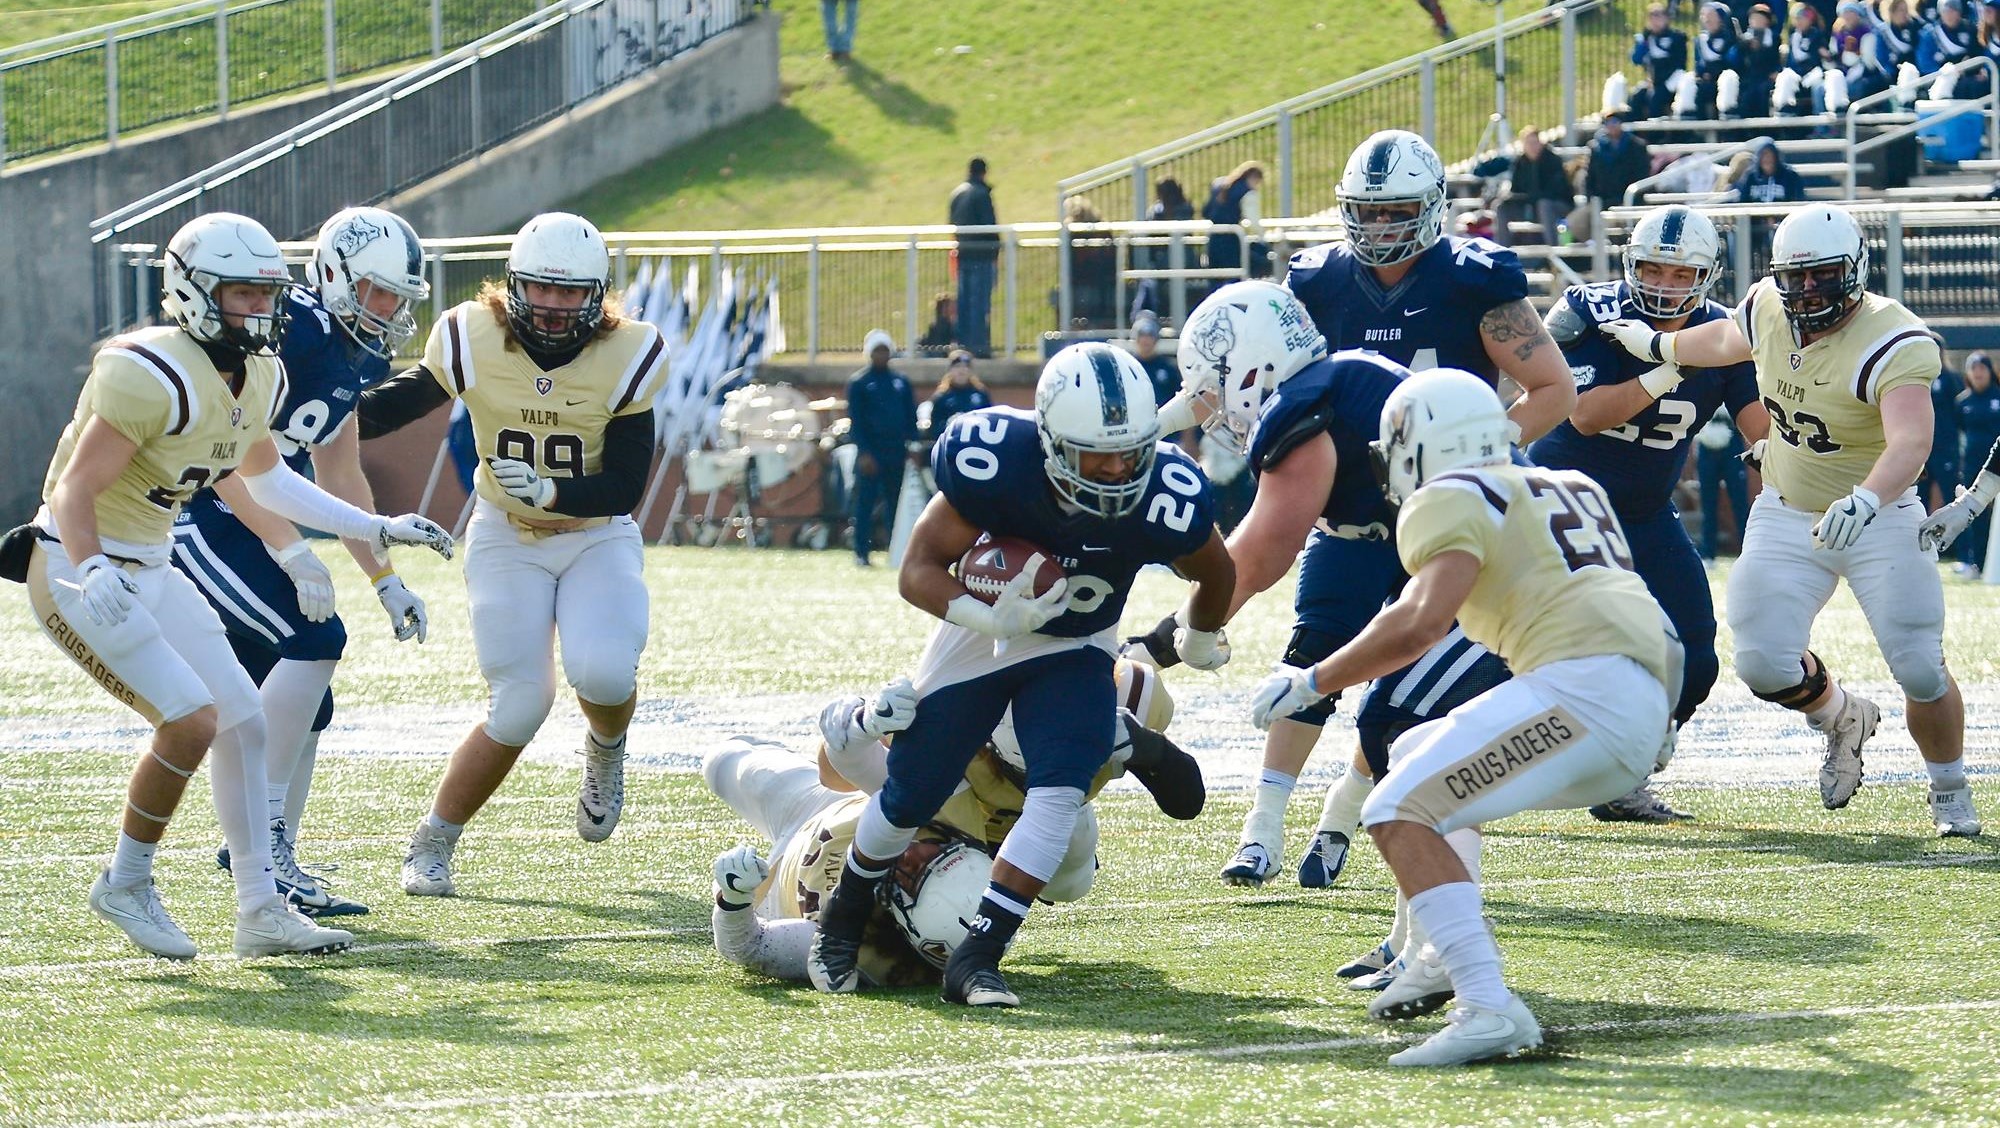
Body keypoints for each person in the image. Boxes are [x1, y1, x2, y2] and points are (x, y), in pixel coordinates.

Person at [5, 212, 451, 959]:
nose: (260, 308)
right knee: (192, 720)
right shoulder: (146, 368)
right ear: (195, 292)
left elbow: (270, 479)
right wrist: (88, 568)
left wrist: (376, 532)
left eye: (266, 292)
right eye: (242, 293)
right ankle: (126, 881)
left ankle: (259, 911)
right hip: (78, 567)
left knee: (243, 718)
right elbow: (76, 490)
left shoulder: (265, 371)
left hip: (150, 563)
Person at [1248, 369, 1680, 1067]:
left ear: (1422, 444)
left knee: (1393, 808)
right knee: (1418, 751)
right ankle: (1432, 951)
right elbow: (1655, 626)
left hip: (1584, 694)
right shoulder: (1572, 486)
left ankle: (1487, 1006)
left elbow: (1421, 622)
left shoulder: (1449, 497)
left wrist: (1312, 680)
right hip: (1635, 695)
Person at [805, 343, 1236, 1008]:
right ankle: (843, 914)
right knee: (913, 787)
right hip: (981, 637)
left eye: (1130, 451)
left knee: (1060, 789)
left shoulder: (1165, 492)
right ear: (1055, 442)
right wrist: (983, 612)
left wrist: (1200, 634)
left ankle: (979, 956)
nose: (1119, 469)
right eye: (1098, 453)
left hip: (1079, 642)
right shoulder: (996, 464)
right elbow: (916, 569)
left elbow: (1217, 569)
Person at [1202, 129, 1573, 900]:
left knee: (1414, 675)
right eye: (1366, 213)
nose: (1378, 229)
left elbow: (1552, 390)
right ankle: (1261, 827)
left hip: (1443, 514)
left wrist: (1469, 453)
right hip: (1350, 513)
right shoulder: (1315, 281)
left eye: (1396, 211)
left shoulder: (1474, 279)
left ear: (1434, 206)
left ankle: (1338, 820)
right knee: (1315, 647)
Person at [1152, 284, 1497, 990]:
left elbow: (1265, 550)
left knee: (1413, 738)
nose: (1216, 404)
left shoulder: (1308, 404)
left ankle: (1446, 955)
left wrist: (1197, 624)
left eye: (1218, 385)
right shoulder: (1337, 380)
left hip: (1480, 570)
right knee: (1404, 734)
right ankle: (1417, 940)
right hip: (1474, 556)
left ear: (1249, 368)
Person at [1603, 203, 1981, 838]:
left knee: (1918, 664)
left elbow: (1910, 441)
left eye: (1823, 276)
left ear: (1855, 270)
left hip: (1878, 517)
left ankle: (1948, 786)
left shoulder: (1896, 337)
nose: (1807, 290)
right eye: (1795, 277)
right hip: (1784, 509)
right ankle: (1842, 716)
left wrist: (1864, 500)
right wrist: (1661, 344)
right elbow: (1726, 340)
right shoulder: (1766, 305)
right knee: (1762, 662)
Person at [357, 211, 673, 895]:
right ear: (512, 285)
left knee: (606, 672)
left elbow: (625, 485)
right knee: (519, 704)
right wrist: (315, 408)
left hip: (593, 534)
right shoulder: (472, 335)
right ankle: (433, 839)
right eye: (541, 290)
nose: (555, 307)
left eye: (570, 294)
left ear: (597, 295)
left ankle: (607, 748)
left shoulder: (630, 351)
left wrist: (556, 492)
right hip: (505, 532)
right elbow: (393, 406)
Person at [172, 206, 432, 920]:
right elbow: (225, 459)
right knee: (314, 641)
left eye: (400, 298)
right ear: (335, 275)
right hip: (196, 507)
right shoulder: (291, 331)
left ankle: (260, 845)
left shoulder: (357, 350)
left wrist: (383, 578)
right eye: (380, 292)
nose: (390, 310)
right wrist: (288, 549)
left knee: (309, 697)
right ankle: (264, 848)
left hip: (251, 513)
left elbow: (340, 473)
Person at [704, 659, 1199, 984]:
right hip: (824, 810)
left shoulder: (876, 954)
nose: (917, 853)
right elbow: (839, 772)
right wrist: (855, 727)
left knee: (1067, 847)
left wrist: (733, 900)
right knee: (724, 761)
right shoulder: (964, 737)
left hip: (794, 873)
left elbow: (751, 944)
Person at [1530, 205, 1769, 821]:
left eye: (1680, 274)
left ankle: (1623, 773)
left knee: (1694, 652)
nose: (1664, 286)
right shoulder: (1587, 309)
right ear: (1631, 266)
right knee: (1556, 649)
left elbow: (1761, 435)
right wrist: (1673, 366)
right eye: (1653, 271)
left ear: (1706, 276)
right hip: (1564, 501)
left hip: (1642, 510)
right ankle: (1438, 752)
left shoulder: (1724, 333)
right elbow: (1583, 414)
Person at [845, 329, 919, 566]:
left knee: (895, 504)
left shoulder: (901, 382)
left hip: (896, 451)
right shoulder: (859, 383)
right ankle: (861, 552)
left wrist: (913, 445)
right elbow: (856, 421)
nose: (881, 355)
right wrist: (864, 452)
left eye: (885, 350)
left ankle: (896, 550)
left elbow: (910, 417)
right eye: (877, 350)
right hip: (872, 452)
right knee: (865, 502)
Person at [1951, 352, 2000, 573]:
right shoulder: (1963, 402)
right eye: (1974, 368)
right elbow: (1960, 431)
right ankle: (1976, 562)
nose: (1978, 373)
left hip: (1996, 467)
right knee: (1974, 514)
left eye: (1982, 368)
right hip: (1972, 466)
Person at [1488, 129, 1575, 247]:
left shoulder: (1553, 161)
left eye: (1535, 143)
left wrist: (1530, 196)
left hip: (1557, 206)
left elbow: (1555, 192)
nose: (1532, 147)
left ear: (1541, 143)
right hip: (1530, 207)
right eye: (1528, 143)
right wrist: (1508, 198)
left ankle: (1554, 252)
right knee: (1500, 207)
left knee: (1544, 205)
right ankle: (1503, 250)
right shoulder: (1520, 163)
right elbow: (1516, 190)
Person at [949, 158, 999, 358]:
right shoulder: (981, 194)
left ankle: (963, 344)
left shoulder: (957, 194)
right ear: (984, 172)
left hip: (964, 254)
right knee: (979, 303)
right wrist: (996, 249)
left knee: (964, 302)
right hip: (982, 256)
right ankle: (979, 346)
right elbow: (989, 226)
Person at [1696, 406, 1753, 558]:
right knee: (1708, 503)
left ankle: (1748, 551)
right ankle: (1708, 553)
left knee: (1739, 501)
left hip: (1732, 437)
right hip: (1707, 437)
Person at [1201, 161, 1266, 280]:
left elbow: (1205, 211)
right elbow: (1254, 220)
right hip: (1231, 240)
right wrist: (1263, 236)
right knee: (1236, 275)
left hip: (1213, 238)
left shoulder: (1219, 186)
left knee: (1215, 277)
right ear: (1254, 178)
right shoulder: (1247, 192)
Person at [1632, 5, 1691, 120]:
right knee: (1636, 96)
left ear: (1666, 18)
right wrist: (1644, 41)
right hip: (1653, 82)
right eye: (1652, 17)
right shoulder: (1646, 38)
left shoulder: (1677, 37)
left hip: (1672, 80)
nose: (1655, 21)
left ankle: (1657, 135)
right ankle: (1635, 133)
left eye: (1658, 16)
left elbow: (1680, 65)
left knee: (1655, 98)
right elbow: (1636, 59)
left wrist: (1664, 84)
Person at [1585, 112, 1653, 207]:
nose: (1611, 125)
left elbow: (1642, 174)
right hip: (1604, 201)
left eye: (1614, 122)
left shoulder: (1637, 146)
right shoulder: (1596, 148)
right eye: (1607, 122)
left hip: (1631, 199)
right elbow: (1591, 178)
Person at [1857, 0, 1921, 99]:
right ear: (1891, 12)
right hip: (1891, 73)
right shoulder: (1882, 31)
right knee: (1869, 85)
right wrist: (1890, 73)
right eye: (1901, 10)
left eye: (1906, 10)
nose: (1905, 14)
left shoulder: (1915, 28)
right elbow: (1881, 57)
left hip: (1913, 71)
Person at [926, 349, 991, 441]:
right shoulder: (942, 396)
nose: (962, 370)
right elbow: (934, 428)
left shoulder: (981, 394)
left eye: (966, 366)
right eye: (957, 366)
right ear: (950, 370)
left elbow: (989, 421)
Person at [1925, 360, 1963, 512]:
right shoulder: (1915, 376)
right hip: (1922, 445)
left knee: (1950, 494)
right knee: (1920, 495)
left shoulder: (1951, 378)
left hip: (1945, 445)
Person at [1695, 4, 1743, 118]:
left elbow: (1734, 62)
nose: (1707, 19)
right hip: (1707, 80)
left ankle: (1728, 118)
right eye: (1704, 15)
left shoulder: (1732, 39)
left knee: (1728, 79)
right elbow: (1699, 64)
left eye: (1711, 15)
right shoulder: (1701, 40)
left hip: (1727, 78)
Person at [1728, 138, 1808, 202]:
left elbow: (1798, 200)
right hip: (1755, 220)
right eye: (1763, 155)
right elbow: (1742, 200)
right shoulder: (1750, 176)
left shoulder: (1790, 176)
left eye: (1770, 155)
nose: (1767, 159)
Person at [1740, 4, 1785, 115]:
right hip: (1750, 76)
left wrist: (1777, 71)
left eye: (1759, 18)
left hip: (1767, 75)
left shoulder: (1774, 38)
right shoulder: (1744, 39)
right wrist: (1745, 45)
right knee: (1747, 95)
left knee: (1763, 93)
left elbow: (1776, 59)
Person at [1918, 0, 1976, 73]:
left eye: (1953, 11)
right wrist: (1945, 73)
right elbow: (1925, 63)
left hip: (1967, 76)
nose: (1949, 15)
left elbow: (1977, 52)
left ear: (1959, 12)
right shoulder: (1930, 34)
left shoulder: (1970, 29)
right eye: (1945, 11)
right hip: (1942, 79)